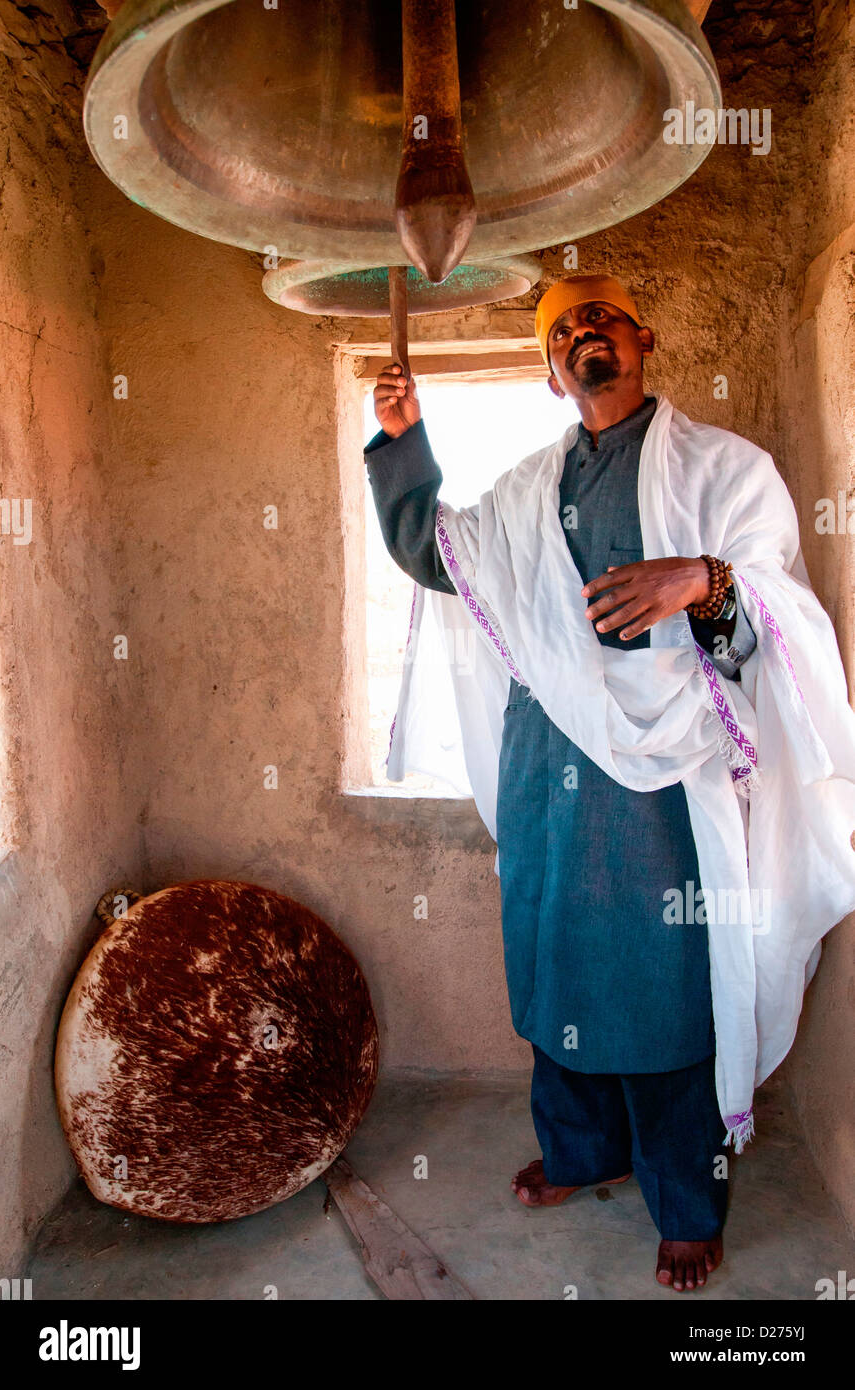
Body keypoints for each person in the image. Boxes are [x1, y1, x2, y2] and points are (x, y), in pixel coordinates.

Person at [363, 273, 855, 1293]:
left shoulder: (725, 471)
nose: (583, 329)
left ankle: (682, 1200)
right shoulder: (524, 491)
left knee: (664, 988)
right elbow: (435, 555)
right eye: (561, 328)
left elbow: (779, 612)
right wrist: (403, 442)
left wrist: (703, 578)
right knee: (555, 967)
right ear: (551, 374)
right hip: (547, 766)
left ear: (642, 339)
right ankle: (585, 1150)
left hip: (662, 784)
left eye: (601, 316)